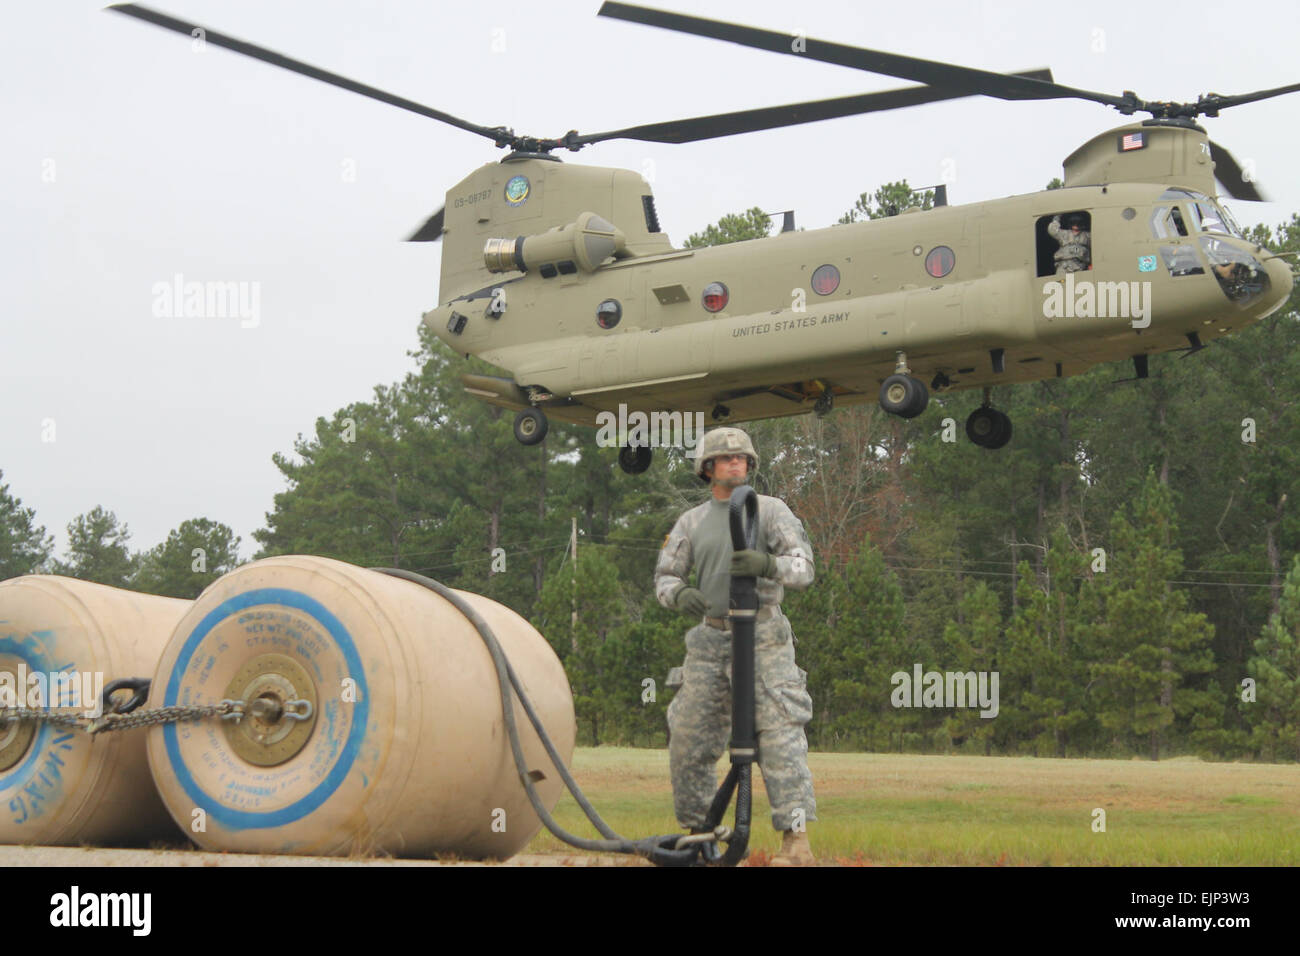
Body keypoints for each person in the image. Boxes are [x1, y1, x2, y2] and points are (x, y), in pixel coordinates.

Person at [654, 426, 817, 866]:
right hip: (710, 639)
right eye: (726, 459)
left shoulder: (770, 512)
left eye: (743, 459)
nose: (736, 464)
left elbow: (803, 569)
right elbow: (665, 577)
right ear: (708, 469)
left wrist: (768, 563)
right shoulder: (690, 522)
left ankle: (796, 842)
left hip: (764, 636)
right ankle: (700, 835)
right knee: (690, 734)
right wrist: (679, 595)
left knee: (781, 735)